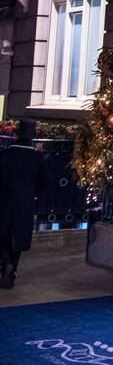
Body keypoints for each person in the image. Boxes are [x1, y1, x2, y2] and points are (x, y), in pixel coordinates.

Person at [0, 119, 47, 289]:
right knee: (17, 241)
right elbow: (44, 184)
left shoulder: (6, 155)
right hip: (25, 204)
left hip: (4, 202)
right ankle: (11, 271)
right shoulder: (37, 158)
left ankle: (4, 262)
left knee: (2, 237)